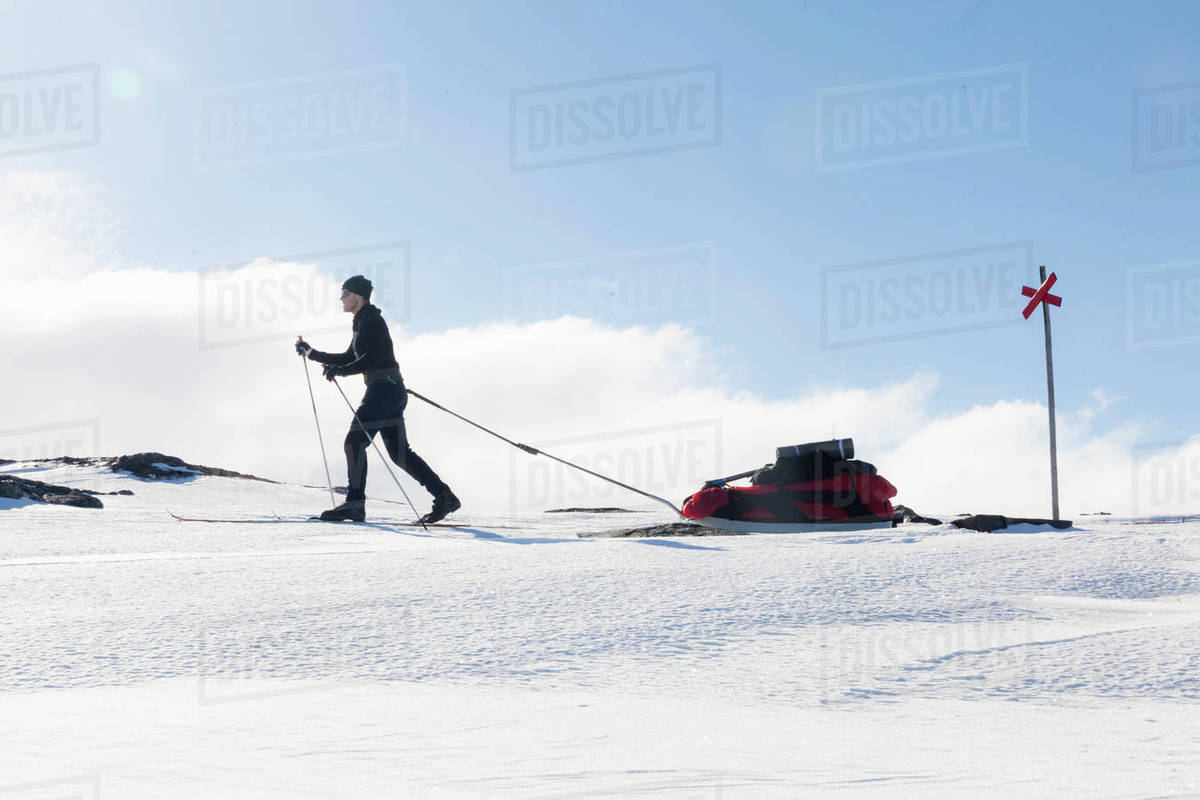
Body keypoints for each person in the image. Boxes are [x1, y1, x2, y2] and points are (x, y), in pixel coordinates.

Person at [295, 275, 460, 524]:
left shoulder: (370, 320)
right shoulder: (362, 320)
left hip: (383, 391)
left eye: (345, 294)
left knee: (354, 442)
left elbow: (372, 358)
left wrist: (338, 371)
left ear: (358, 296)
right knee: (399, 454)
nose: (341, 299)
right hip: (389, 390)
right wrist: (313, 353)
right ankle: (444, 496)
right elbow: (350, 355)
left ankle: (354, 503)